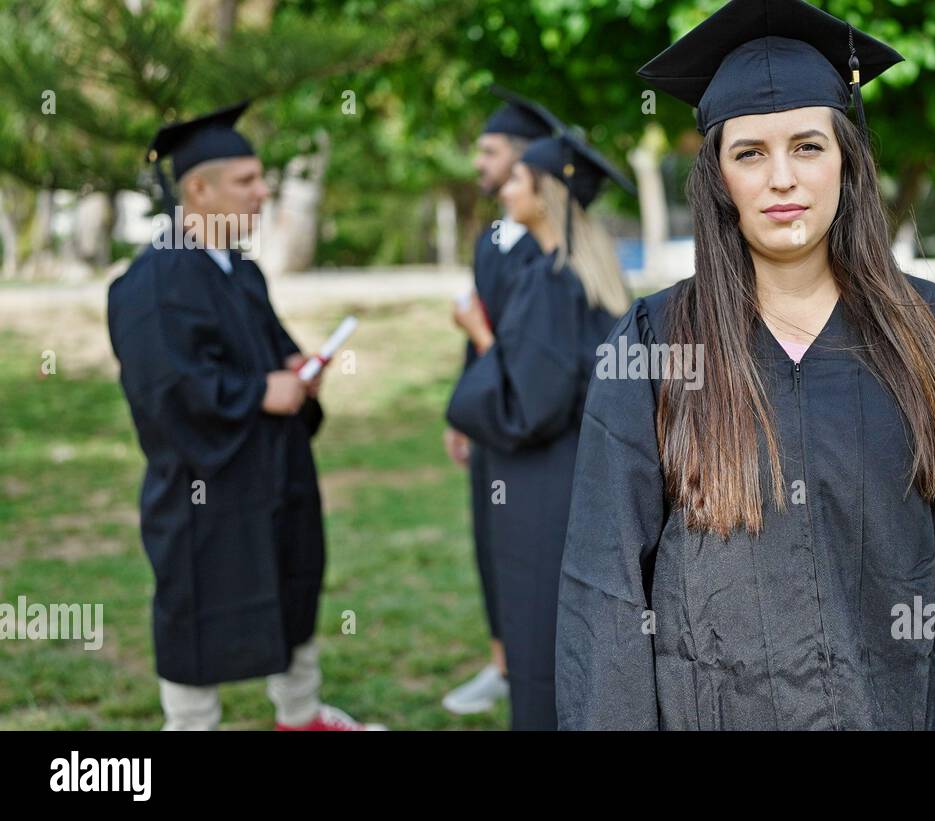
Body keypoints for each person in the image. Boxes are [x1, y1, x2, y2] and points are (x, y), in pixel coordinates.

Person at [555, 0, 935, 730]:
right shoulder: (654, 350)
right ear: (719, 177)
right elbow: (606, 598)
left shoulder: (933, 336)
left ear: (847, 159)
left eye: (808, 146)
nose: (782, 178)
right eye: (750, 152)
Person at [107, 101, 382, 731]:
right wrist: (259, 391)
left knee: (293, 581)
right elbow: (164, 388)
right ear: (198, 189)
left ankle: (301, 714)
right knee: (195, 604)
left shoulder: (241, 271)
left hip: (274, 471)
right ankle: (191, 724)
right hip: (203, 484)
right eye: (247, 181)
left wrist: (296, 368)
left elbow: (266, 348)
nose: (264, 192)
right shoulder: (153, 280)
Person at [446, 130, 633, 729]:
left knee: (539, 639)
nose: (506, 187)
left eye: (519, 178)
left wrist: (479, 335)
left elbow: (527, 407)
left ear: (546, 193)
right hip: (576, 477)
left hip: (541, 488)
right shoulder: (589, 279)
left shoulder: (550, 284)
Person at [441, 88, 563, 716]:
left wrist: (478, 337)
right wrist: (458, 411)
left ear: (522, 164)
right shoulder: (491, 241)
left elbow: (522, 350)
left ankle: (525, 665)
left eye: (489, 153)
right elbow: (483, 331)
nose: (479, 165)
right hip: (491, 407)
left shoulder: (549, 254)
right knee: (490, 543)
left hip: (528, 413)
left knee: (525, 546)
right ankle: (501, 658)